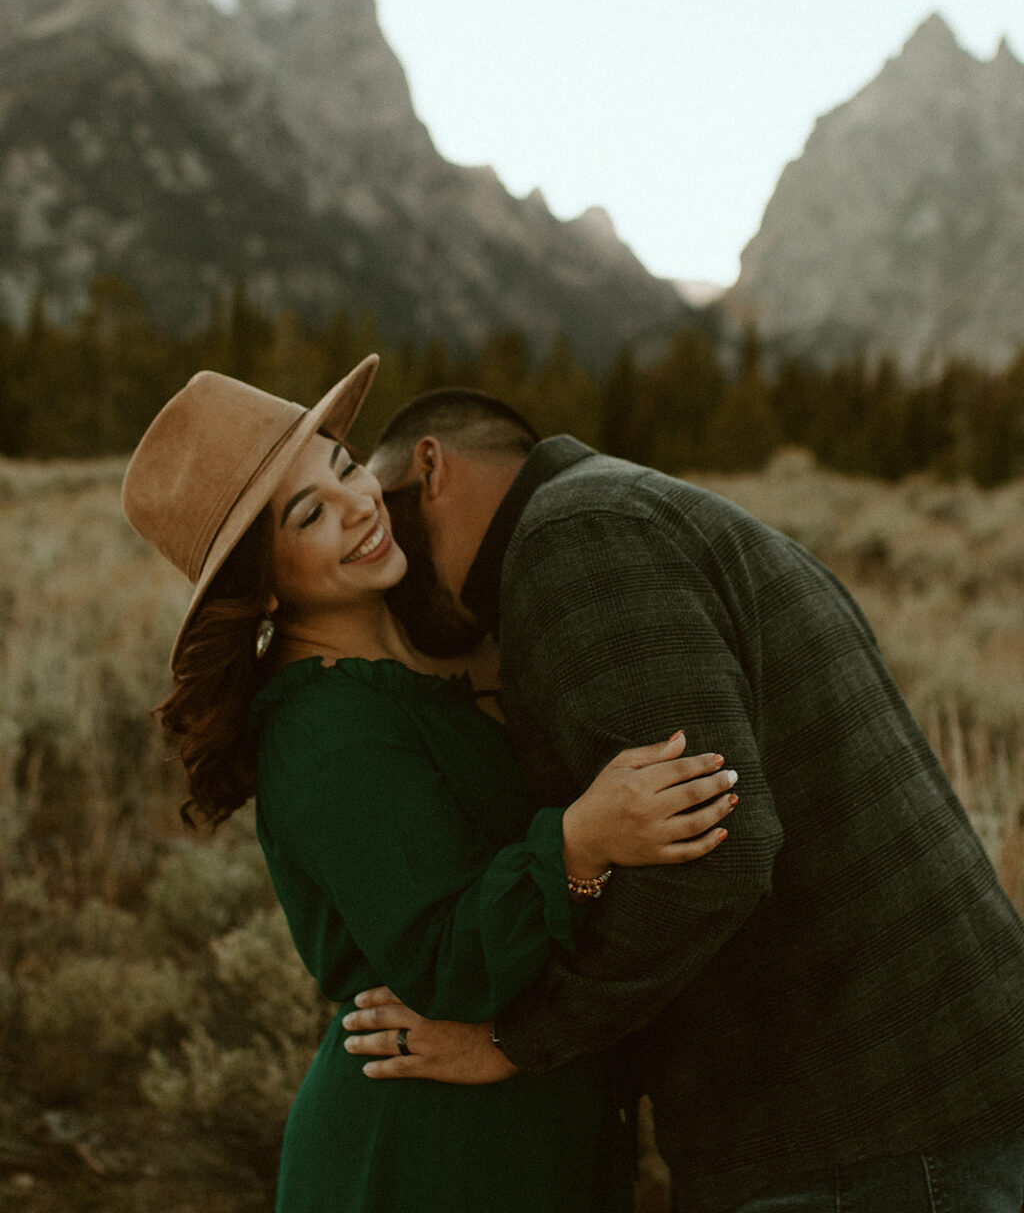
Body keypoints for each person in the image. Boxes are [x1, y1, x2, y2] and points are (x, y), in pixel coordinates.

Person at [342, 388, 1024, 1213]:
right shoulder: (632, 508)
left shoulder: (570, 540)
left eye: (381, 505)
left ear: (430, 467)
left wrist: (516, 1041)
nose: (384, 555)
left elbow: (715, 850)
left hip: (860, 1134)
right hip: (906, 1113)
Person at [121, 357, 738, 1213]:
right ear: (260, 587)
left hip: (526, 1118)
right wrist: (580, 843)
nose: (357, 507)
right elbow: (445, 958)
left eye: (342, 468)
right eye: (308, 515)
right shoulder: (324, 728)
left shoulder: (428, 654)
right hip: (430, 1147)